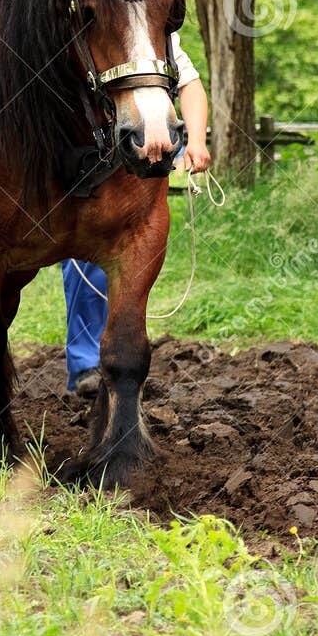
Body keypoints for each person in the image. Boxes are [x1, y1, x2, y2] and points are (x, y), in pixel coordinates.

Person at [61, 31, 210, 399]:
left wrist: (197, 140)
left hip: (136, 161)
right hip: (83, 162)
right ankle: (84, 365)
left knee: (131, 261)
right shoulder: (85, 25)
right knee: (83, 271)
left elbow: (189, 83)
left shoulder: (156, 32)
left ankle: (116, 360)